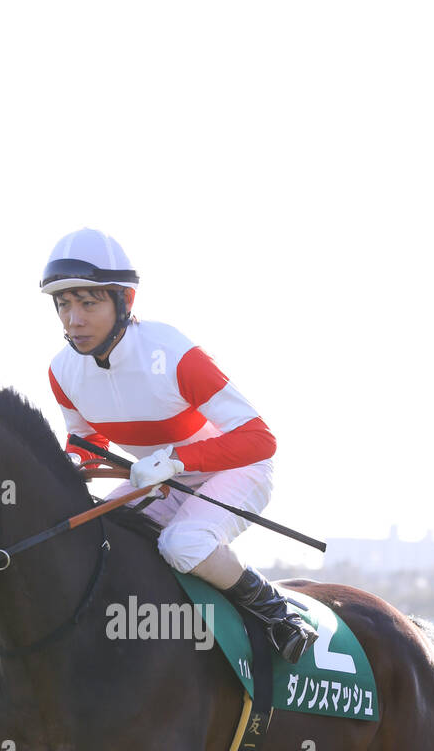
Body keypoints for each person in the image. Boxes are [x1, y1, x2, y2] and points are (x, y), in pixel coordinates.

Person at [41, 228, 315, 662]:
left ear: (124, 301)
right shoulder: (62, 371)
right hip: (164, 478)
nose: (74, 319)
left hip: (236, 469)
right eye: (63, 304)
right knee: (91, 535)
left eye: (88, 302)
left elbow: (259, 440)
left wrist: (177, 460)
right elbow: (87, 443)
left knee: (182, 544)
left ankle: (279, 616)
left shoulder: (172, 353)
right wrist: (71, 463)